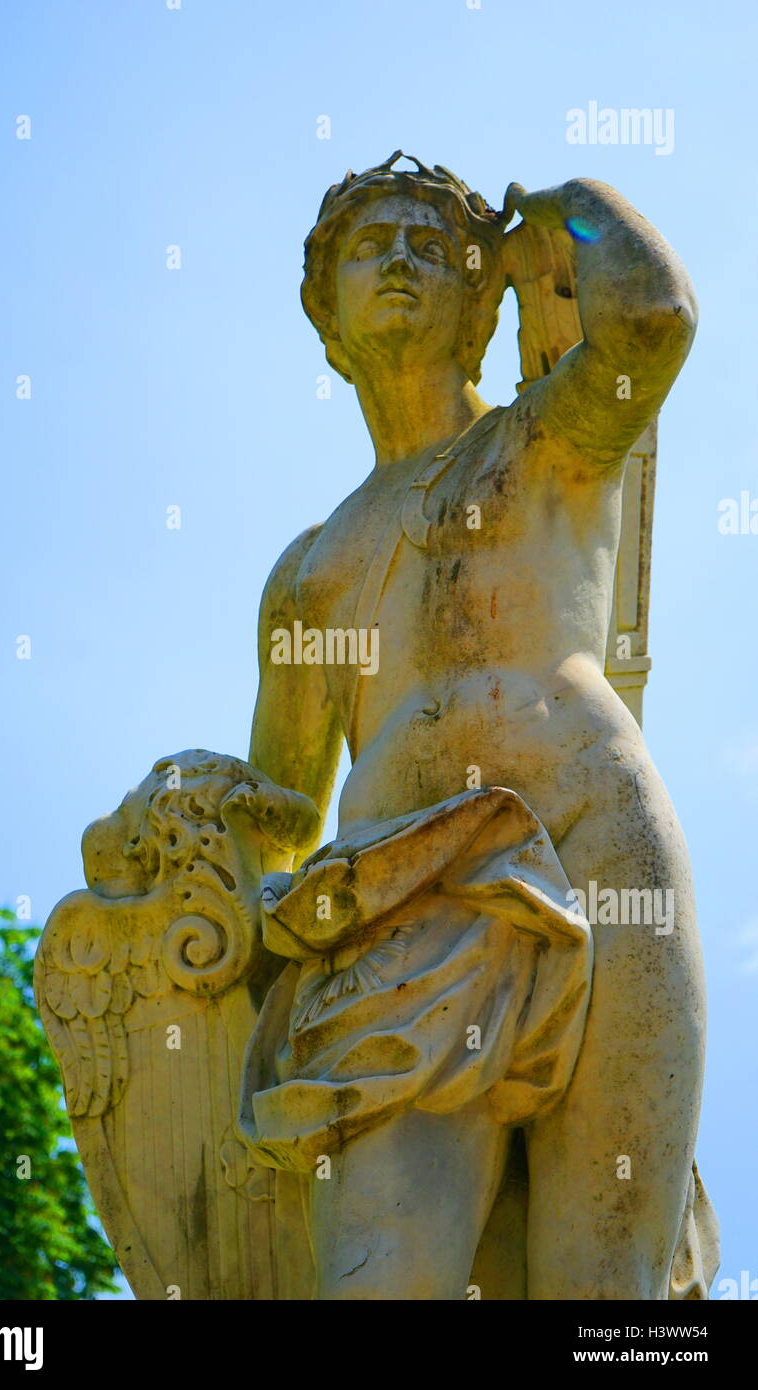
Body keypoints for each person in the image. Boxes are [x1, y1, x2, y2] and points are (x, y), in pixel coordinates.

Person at [240, 153, 716, 1299]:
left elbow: (651, 318)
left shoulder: (551, 437)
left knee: (601, 1288)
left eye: (430, 245)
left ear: (480, 291)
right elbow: (278, 817)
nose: (398, 261)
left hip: (600, 841)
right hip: (396, 906)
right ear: (327, 311)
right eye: (368, 246)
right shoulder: (310, 571)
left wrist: (563, 208)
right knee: (379, 1281)